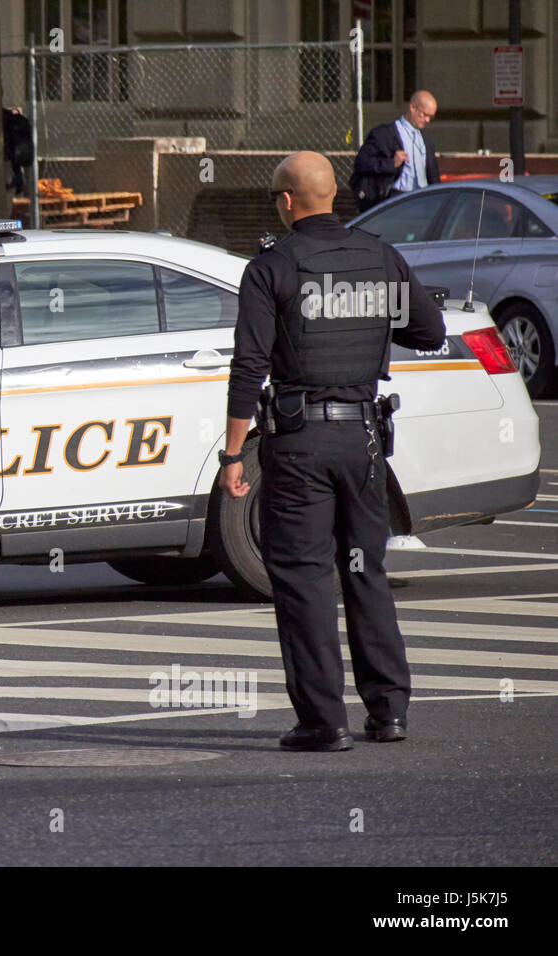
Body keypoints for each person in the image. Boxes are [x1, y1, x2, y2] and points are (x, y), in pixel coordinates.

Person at [219, 151, 446, 752]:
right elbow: (429, 332)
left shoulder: (272, 268)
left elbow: (249, 366)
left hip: (299, 446)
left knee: (305, 579)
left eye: (276, 198)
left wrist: (232, 456)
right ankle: (389, 712)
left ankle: (323, 722)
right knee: (365, 570)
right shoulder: (380, 255)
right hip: (365, 442)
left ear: (288, 203)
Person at [349, 90, 440, 212]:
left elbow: (432, 173)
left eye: (431, 116)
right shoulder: (384, 134)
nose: (427, 120)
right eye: (424, 114)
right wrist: (391, 163)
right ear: (412, 107)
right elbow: (362, 163)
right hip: (395, 198)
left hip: (422, 199)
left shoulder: (426, 139)